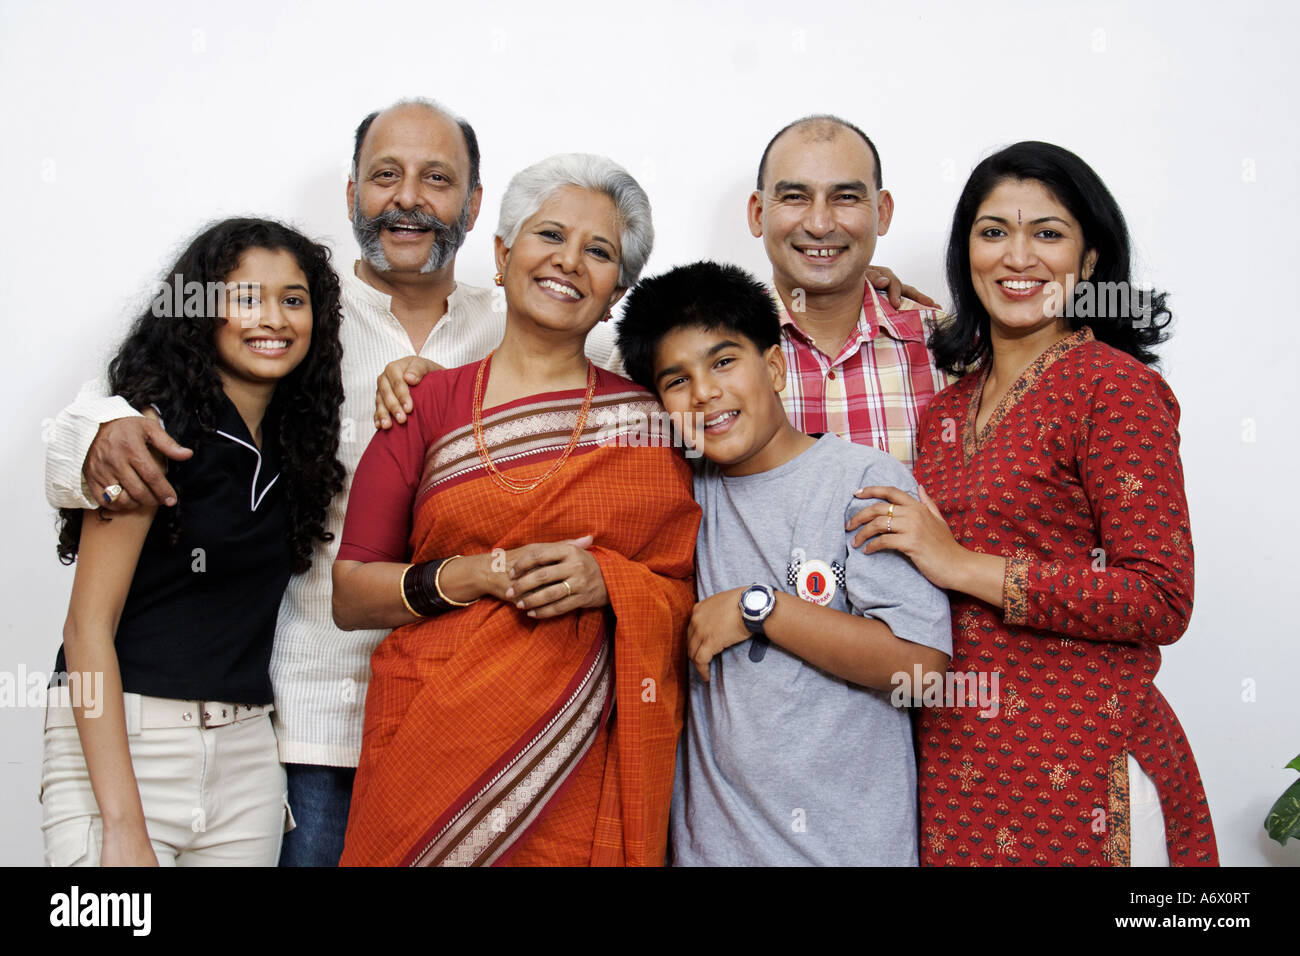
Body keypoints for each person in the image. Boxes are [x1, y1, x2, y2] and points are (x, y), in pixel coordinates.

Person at [41, 98, 626, 866]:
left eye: (437, 179)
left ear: (476, 206)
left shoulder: (533, 324)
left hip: (463, 721)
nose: (408, 198)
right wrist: (98, 436)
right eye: (385, 175)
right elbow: (111, 408)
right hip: (298, 724)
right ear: (351, 193)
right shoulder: (295, 313)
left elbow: (674, 405)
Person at [846, 141, 1218, 866]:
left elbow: (1161, 598)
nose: (1018, 257)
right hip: (959, 775)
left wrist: (962, 565)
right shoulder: (945, 408)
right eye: (994, 233)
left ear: (1090, 261)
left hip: (1085, 769)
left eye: (1047, 233)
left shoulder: (1114, 389)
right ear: (967, 254)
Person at [330, 154, 700, 866]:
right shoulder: (423, 404)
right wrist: (474, 576)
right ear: (502, 255)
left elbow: (688, 596)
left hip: (580, 764)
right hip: (429, 744)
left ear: (618, 289)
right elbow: (352, 594)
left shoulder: (650, 424)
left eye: (599, 252)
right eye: (549, 236)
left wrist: (610, 584)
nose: (569, 261)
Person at [616, 260, 951, 865]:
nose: (706, 393)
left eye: (724, 362)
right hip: (715, 851)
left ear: (773, 366)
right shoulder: (681, 490)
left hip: (849, 850)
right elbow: (567, 374)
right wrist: (442, 384)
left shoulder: (861, 481)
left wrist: (761, 610)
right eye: (677, 380)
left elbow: (923, 671)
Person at [41, 218, 345, 866]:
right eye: (246, 298)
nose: (275, 318)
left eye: (293, 299)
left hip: (247, 763)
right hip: (128, 746)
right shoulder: (146, 434)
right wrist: (121, 826)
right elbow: (86, 628)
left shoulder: (299, 448)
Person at [749, 114, 949, 468]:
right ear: (758, 213)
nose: (820, 224)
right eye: (795, 197)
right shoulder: (706, 349)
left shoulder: (954, 349)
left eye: (845, 197)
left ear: (882, 212)